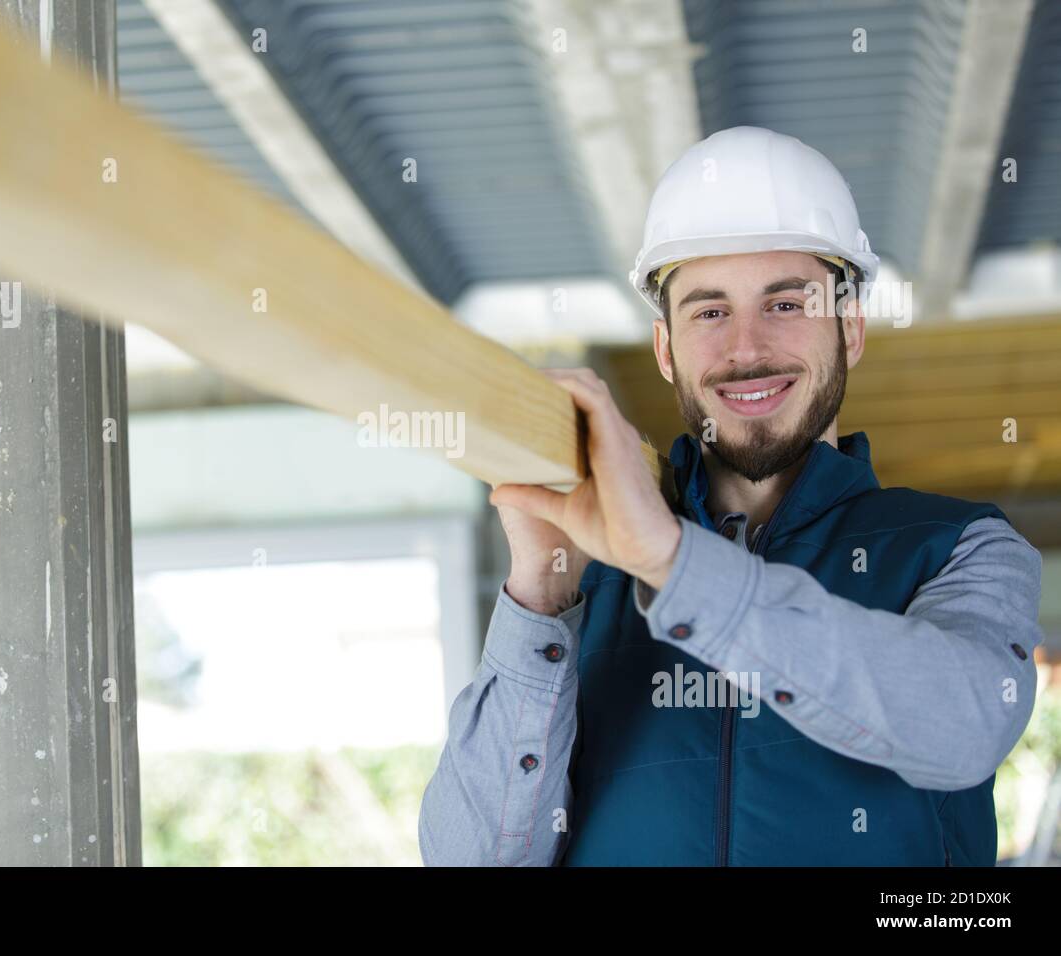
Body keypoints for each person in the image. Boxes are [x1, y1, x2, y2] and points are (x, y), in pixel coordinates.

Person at [418, 126, 1043, 866]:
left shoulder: (959, 544)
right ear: (665, 349)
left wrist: (673, 563)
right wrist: (540, 596)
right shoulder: (588, 586)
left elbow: (963, 726)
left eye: (785, 304)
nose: (746, 348)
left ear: (851, 327)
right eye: (709, 311)